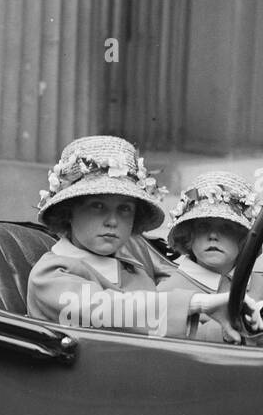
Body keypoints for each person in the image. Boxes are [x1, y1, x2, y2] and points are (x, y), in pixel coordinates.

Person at [27, 136, 249, 339]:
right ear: (68, 212)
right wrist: (196, 303)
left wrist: (242, 326)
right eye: (97, 206)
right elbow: (110, 310)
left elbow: (165, 332)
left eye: (124, 209)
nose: (112, 221)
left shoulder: (133, 269)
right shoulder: (50, 275)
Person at [165, 171, 263, 343]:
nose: (213, 235)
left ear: (243, 238)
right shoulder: (170, 289)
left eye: (227, 227)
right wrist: (239, 323)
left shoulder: (257, 283)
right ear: (188, 236)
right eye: (203, 225)